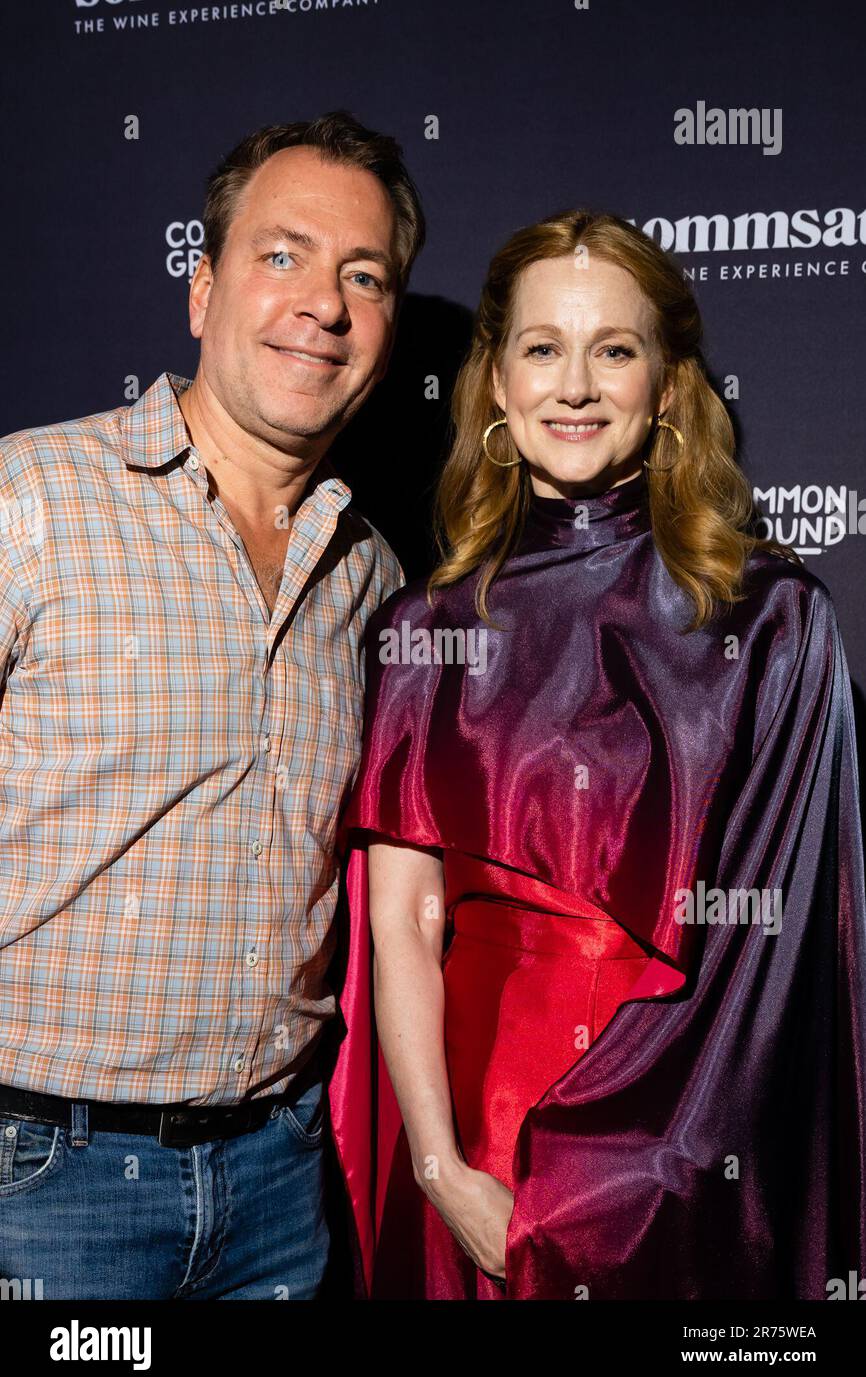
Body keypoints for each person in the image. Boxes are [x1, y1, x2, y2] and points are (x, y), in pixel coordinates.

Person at [328, 209, 866, 1300]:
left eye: (611, 350)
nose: (573, 386)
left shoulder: (771, 621)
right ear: (496, 382)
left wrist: (638, 1171)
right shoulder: (425, 626)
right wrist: (439, 1167)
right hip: (469, 1123)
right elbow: (404, 917)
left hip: (684, 1143)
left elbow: (780, 963)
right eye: (541, 349)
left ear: (665, 387)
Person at [0, 111, 424, 1299]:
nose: (323, 304)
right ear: (201, 293)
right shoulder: (28, 498)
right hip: (41, 1183)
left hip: (283, 1192)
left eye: (363, 276)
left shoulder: (375, 579)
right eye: (281, 255)